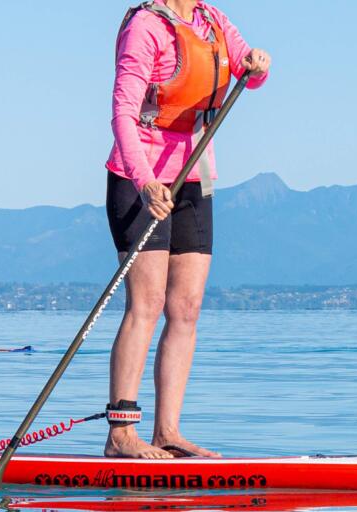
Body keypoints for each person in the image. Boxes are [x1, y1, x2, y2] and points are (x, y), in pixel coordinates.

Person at [105, 1, 270, 459]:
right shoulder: (146, 26)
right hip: (140, 179)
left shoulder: (212, 20)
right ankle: (120, 433)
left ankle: (168, 431)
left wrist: (258, 64)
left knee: (186, 307)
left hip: (196, 177)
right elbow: (122, 112)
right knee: (148, 303)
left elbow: (248, 73)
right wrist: (144, 182)